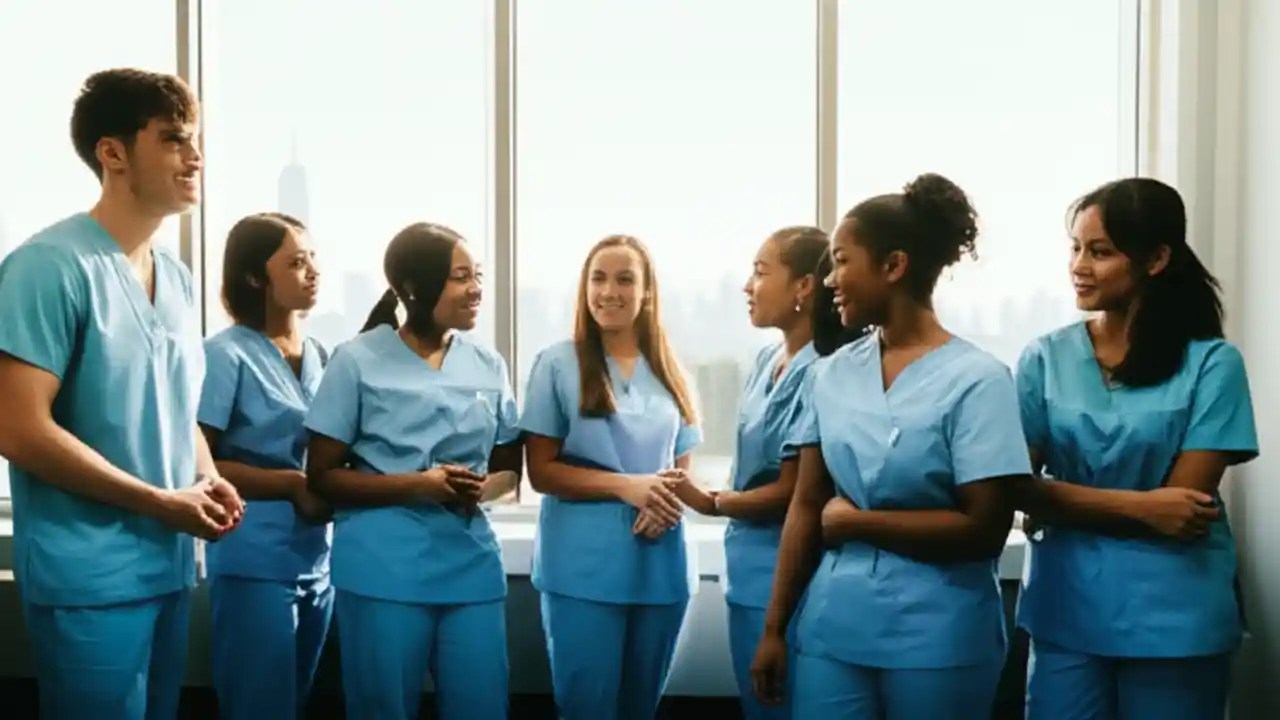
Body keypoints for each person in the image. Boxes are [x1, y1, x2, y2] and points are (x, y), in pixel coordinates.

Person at [0, 68, 244, 720]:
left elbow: (174, 408)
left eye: (196, 142)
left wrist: (207, 476)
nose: (195, 157)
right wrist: (160, 501)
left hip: (165, 568)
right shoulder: (47, 268)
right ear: (112, 153)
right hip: (89, 576)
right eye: (172, 140)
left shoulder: (179, 280)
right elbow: (19, 429)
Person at [751, 174, 1031, 719]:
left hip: (938, 636)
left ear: (893, 265)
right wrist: (774, 627)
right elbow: (808, 504)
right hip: (833, 629)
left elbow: (983, 528)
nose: (830, 280)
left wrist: (858, 524)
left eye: (840, 261)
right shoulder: (829, 375)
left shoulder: (978, 380)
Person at [1013, 178, 1258, 720]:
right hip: (1065, 608)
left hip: (1176, 615)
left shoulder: (1212, 364)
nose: (1079, 265)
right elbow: (1015, 486)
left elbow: (1184, 507)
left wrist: (1055, 497)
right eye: (1075, 248)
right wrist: (1142, 507)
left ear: (1157, 259)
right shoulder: (1044, 358)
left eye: (1099, 252)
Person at [304, 222, 521, 720]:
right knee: (384, 708)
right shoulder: (356, 361)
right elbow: (322, 475)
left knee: (482, 706)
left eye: (478, 275)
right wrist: (419, 486)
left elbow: (511, 466)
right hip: (384, 568)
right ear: (415, 288)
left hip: (471, 568)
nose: (476, 289)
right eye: (460, 277)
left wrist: (486, 488)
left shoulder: (488, 364)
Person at [665, 225, 860, 720]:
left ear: (804, 287)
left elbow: (798, 490)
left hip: (793, 576)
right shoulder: (764, 361)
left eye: (759, 271)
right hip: (747, 569)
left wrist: (712, 502)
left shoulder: (824, 369)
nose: (747, 286)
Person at [520, 234, 701, 720]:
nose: (609, 291)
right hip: (583, 568)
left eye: (625, 279)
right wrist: (627, 486)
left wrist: (665, 505)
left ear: (646, 293)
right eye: (598, 278)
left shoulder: (670, 370)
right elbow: (540, 471)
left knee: (640, 710)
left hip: (660, 566)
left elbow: (681, 464)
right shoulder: (557, 364)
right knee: (587, 709)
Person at [198, 212, 333, 720]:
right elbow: (198, 459)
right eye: (297, 262)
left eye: (313, 259)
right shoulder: (225, 355)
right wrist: (290, 483)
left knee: (296, 700)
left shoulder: (320, 354)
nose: (313, 271)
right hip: (252, 554)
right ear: (256, 277)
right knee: (259, 706)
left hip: (316, 558)